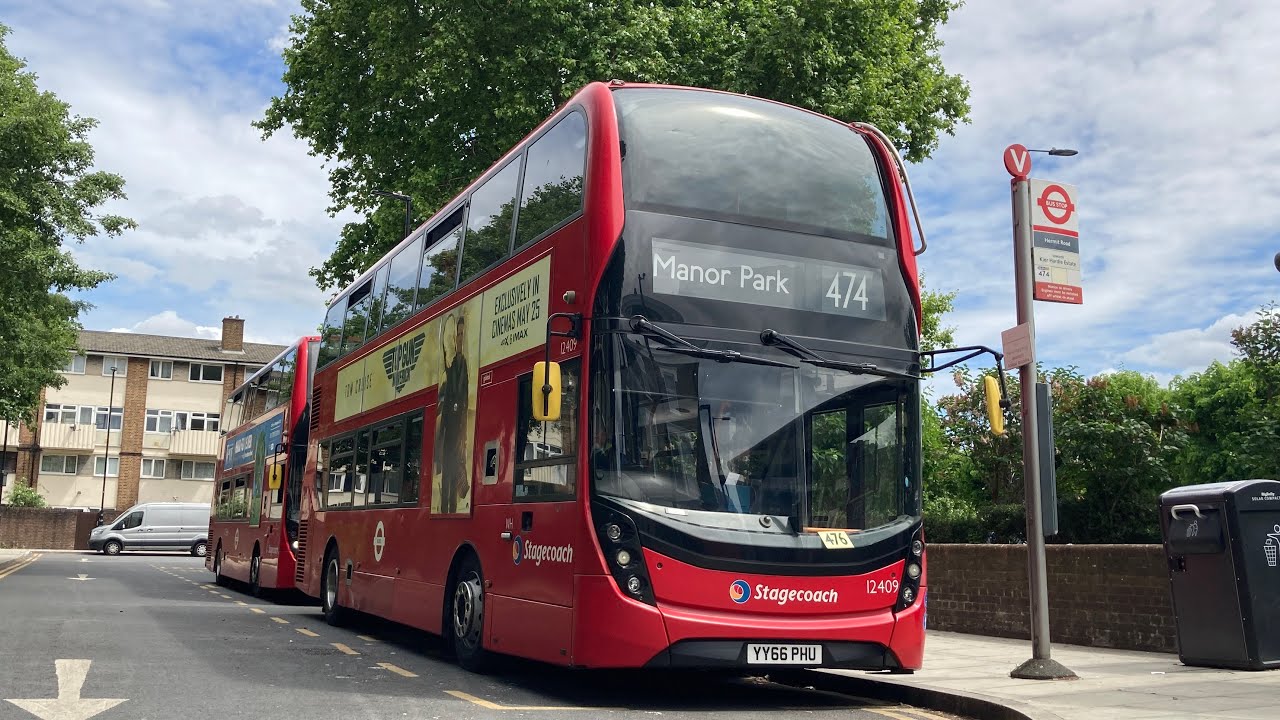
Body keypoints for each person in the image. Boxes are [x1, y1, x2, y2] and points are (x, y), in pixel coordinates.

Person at [434, 313, 470, 513]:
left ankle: (452, 509)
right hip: (447, 426)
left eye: (462, 335)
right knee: (447, 470)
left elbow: (463, 397)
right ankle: (446, 507)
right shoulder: (449, 366)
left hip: (457, 426)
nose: (459, 338)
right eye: (458, 334)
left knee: (454, 469)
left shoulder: (462, 364)